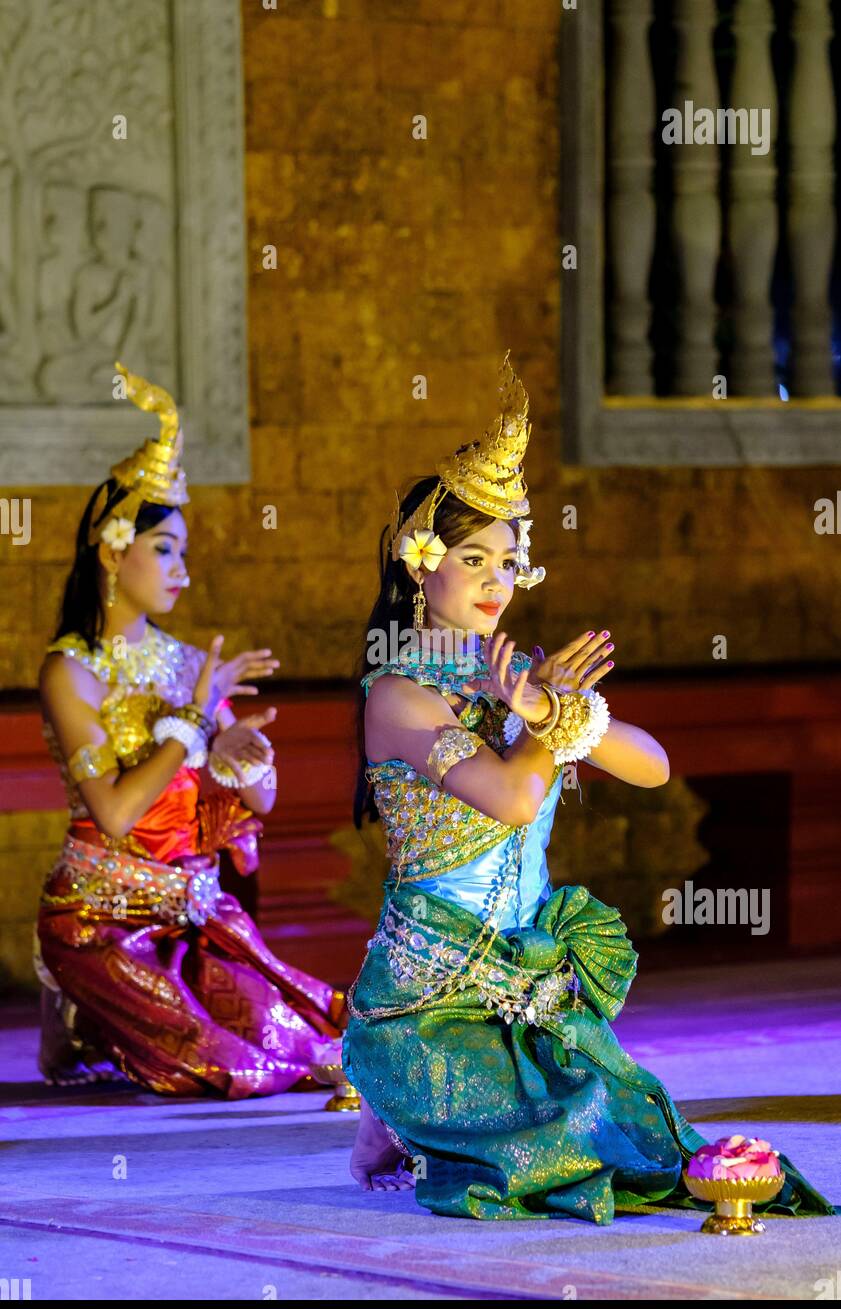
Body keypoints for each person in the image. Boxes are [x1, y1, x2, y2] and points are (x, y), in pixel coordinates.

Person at [341, 353, 837, 1221]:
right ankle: (399, 1105)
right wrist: (541, 723)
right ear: (420, 565)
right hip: (432, 990)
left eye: (509, 558)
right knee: (559, 1153)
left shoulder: (524, 673)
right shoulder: (397, 693)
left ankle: (418, 1121)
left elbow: (652, 764)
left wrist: (561, 711)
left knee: (637, 1134)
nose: (498, 580)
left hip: (530, 974)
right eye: (472, 557)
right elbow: (512, 799)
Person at [36, 361, 346, 1097]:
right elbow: (114, 811)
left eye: (183, 552)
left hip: (195, 914)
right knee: (230, 1068)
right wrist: (194, 725)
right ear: (114, 552)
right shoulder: (70, 672)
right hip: (99, 919)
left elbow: (260, 805)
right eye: (165, 549)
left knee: (302, 1040)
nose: (182, 570)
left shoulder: (186, 664)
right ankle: (80, 1009)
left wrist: (240, 759)